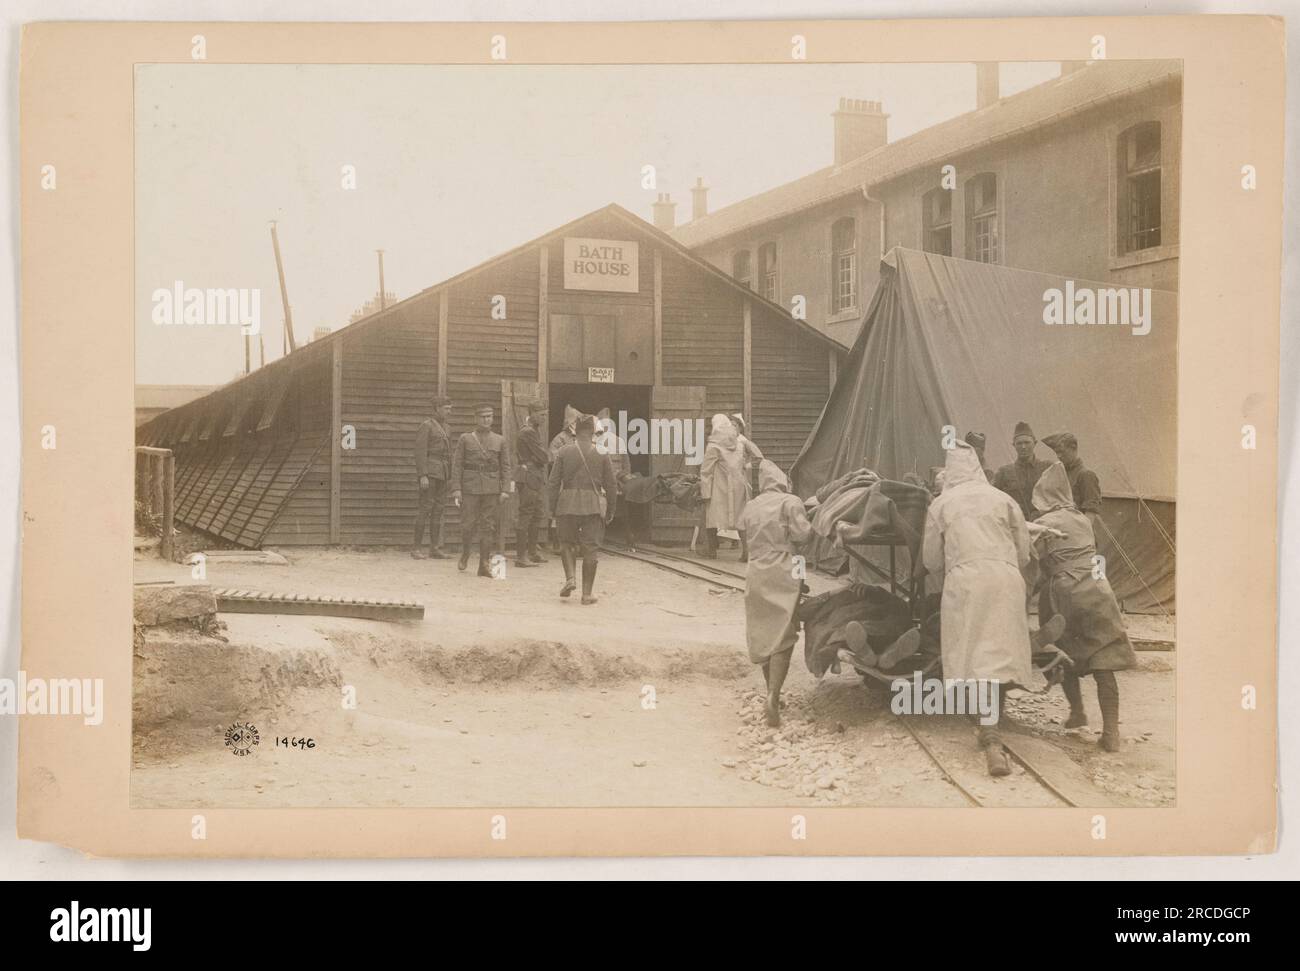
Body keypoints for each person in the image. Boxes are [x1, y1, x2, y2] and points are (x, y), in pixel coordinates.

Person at [922, 440, 1034, 777]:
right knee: (999, 653)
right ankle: (992, 724)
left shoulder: (942, 504)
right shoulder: (1004, 499)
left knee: (973, 654)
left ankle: (989, 732)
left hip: (967, 580)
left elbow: (930, 560)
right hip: (1005, 578)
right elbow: (1025, 552)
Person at [1030, 462, 1136, 751]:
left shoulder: (1045, 523)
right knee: (1105, 660)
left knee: (1061, 652)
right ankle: (1111, 732)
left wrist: (1028, 593)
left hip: (1065, 592)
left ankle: (1077, 712)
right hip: (1098, 588)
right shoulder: (1080, 518)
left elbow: (1041, 566)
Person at [738, 460, 813, 727]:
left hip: (756, 569)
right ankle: (773, 694)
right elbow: (803, 535)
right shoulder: (790, 502)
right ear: (782, 481)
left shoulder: (751, 505)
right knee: (785, 631)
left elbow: (743, 532)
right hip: (784, 567)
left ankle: (770, 691)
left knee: (763, 630)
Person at [547, 414, 617, 604]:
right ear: (593, 432)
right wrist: (610, 510)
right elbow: (611, 486)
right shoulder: (602, 453)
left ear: (575, 432)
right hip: (593, 506)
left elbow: (553, 483)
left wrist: (552, 507)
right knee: (590, 548)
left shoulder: (563, 452)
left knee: (566, 543)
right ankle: (587, 594)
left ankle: (570, 578)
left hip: (567, 503)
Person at [451, 404, 510, 577]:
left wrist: (505, 489)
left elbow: (505, 466)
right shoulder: (465, 439)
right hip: (470, 488)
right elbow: (457, 465)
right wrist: (456, 489)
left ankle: (484, 564)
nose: (487, 420)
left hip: (491, 489)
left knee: (488, 526)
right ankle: (466, 553)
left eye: (490, 416)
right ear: (475, 419)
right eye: (483, 417)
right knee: (468, 525)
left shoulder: (500, 440)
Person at [699, 413, 750, 560]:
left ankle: (711, 550)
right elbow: (744, 461)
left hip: (720, 486)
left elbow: (706, 470)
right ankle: (746, 551)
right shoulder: (739, 443)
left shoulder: (713, 445)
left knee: (711, 515)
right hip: (738, 485)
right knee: (741, 517)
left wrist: (706, 492)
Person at [411, 396, 453, 559]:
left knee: (439, 510)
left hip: (442, 473)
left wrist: (449, 476)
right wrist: (423, 475)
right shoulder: (426, 426)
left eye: (450, 408)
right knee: (425, 509)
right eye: (445, 408)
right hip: (430, 473)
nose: (449, 411)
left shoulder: (448, 428)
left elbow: (449, 454)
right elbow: (420, 452)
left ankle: (434, 548)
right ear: (436, 409)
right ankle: (416, 548)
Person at [513, 404, 550, 568]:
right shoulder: (528, 432)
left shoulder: (534, 430)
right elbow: (543, 457)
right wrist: (541, 457)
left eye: (545, 415)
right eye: (541, 414)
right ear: (532, 413)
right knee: (526, 514)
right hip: (529, 476)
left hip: (535, 475)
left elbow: (541, 456)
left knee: (537, 514)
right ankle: (521, 557)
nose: (543, 418)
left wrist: (540, 457)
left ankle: (532, 552)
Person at [993, 421, 1050, 521]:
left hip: (1045, 524)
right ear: (1013, 445)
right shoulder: (1004, 472)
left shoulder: (1047, 468)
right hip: (1016, 525)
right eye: (1019, 443)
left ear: (1035, 443)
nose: (1023, 447)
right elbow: (994, 500)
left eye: (1027, 442)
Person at [1040, 432, 1103, 523]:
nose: (1059, 456)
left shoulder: (1086, 475)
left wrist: (1082, 532)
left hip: (1078, 529)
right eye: (1057, 453)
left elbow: (1090, 511)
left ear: (1074, 449)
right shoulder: (1060, 473)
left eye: (1062, 452)